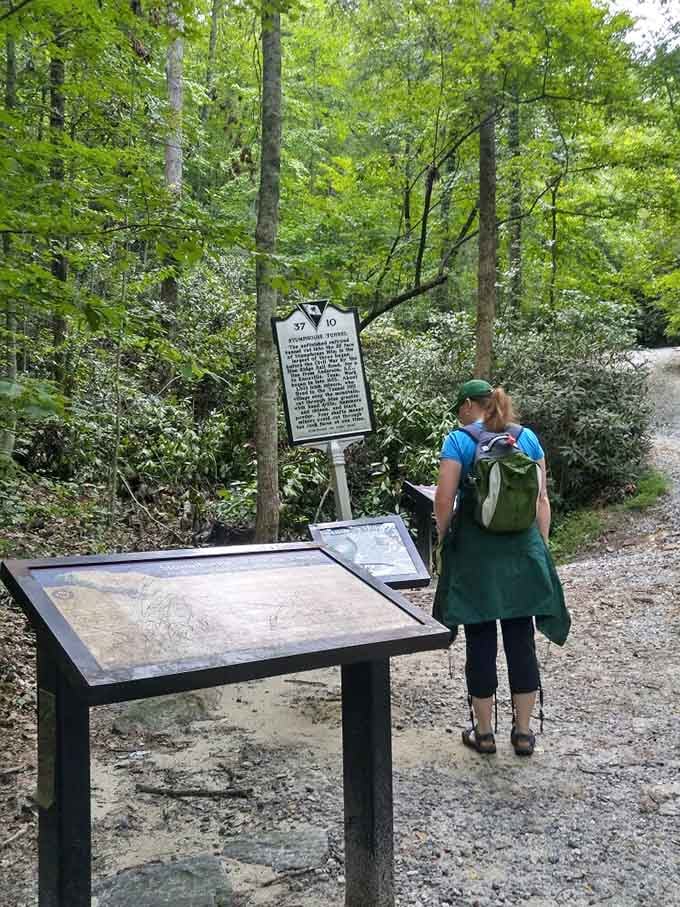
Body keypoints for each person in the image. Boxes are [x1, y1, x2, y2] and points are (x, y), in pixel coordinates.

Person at [433, 379, 570, 757]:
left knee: (479, 639)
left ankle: (485, 733)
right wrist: (539, 545)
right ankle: (523, 733)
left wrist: (446, 540)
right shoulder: (527, 439)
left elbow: (444, 498)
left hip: (477, 555)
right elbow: (541, 498)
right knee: (520, 637)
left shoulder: (459, 441)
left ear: (466, 405)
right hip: (522, 552)